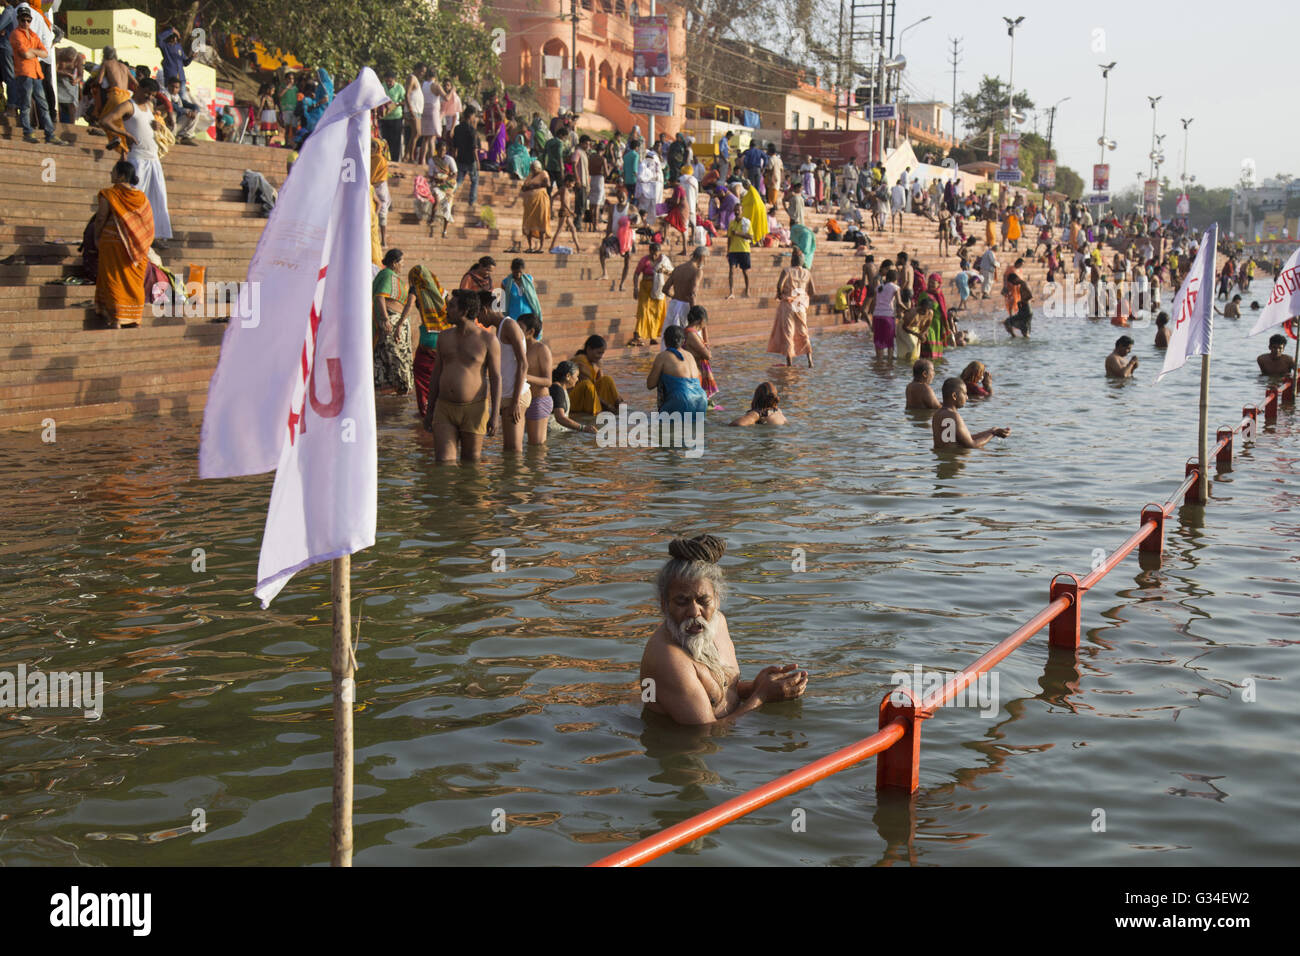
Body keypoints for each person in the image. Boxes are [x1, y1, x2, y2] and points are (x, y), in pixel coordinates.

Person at [639, 534, 807, 725]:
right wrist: (761, 697)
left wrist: (756, 687)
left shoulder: (718, 623)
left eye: (703, 601)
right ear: (664, 604)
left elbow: (724, 692)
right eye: (681, 601)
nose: (694, 612)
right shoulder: (667, 659)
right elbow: (704, 734)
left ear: (717, 599)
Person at [426, 289, 501, 462]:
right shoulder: (444, 337)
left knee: (471, 464)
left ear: (464, 310)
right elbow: (436, 374)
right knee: (443, 463)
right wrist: (429, 411)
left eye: (451, 306)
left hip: (474, 409)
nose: (446, 309)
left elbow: (496, 378)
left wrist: (494, 415)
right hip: (444, 408)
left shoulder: (488, 340)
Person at [99, 79, 171, 242]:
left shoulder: (150, 106)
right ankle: (130, 233)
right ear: (138, 89)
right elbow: (105, 121)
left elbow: (149, 124)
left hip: (153, 159)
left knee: (156, 199)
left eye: (152, 95)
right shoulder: (128, 105)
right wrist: (126, 135)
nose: (149, 97)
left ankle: (154, 236)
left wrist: (156, 127)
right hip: (137, 159)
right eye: (147, 93)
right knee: (134, 197)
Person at [92, 160, 153, 329]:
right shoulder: (142, 197)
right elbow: (148, 224)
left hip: (112, 243)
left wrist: (96, 237)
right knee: (133, 281)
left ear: (121, 176)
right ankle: (133, 317)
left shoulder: (109, 194)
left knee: (114, 278)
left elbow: (101, 218)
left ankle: (117, 319)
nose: (110, 174)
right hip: (138, 246)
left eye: (113, 171)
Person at [479, 292, 529, 453]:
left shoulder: (509, 325)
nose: (478, 320)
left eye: (478, 315)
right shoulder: (500, 329)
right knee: (508, 450)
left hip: (516, 396)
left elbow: (523, 363)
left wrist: (515, 402)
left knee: (514, 451)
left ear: (485, 310)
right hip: (508, 396)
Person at [10, 6, 66, 145]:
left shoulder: (33, 34)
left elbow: (45, 53)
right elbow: (25, 54)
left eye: (28, 20)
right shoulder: (16, 34)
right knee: (26, 104)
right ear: (18, 20)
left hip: (36, 73)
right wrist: (35, 52)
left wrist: (33, 51)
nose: (26, 23)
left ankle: (49, 134)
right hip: (24, 73)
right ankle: (27, 132)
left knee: (43, 104)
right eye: (23, 20)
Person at [400, 265, 449, 418]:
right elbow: (450, 305)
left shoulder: (416, 289)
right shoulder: (439, 289)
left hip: (428, 337)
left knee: (422, 374)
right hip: (445, 335)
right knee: (441, 373)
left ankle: (426, 409)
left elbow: (409, 304)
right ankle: (442, 409)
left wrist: (400, 323)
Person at [372, 249, 414, 394]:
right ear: (394, 263)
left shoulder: (393, 276)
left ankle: (393, 392)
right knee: (395, 357)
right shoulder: (386, 275)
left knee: (390, 357)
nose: (403, 264)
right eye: (402, 261)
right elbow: (379, 297)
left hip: (397, 322)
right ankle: (398, 389)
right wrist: (385, 319)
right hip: (390, 321)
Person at [766, 248, 815, 368]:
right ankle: (810, 361)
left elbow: (779, 285)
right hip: (801, 306)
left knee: (788, 333)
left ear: (792, 260)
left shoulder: (786, 270)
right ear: (802, 261)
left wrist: (780, 294)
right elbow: (813, 291)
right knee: (803, 332)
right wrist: (803, 296)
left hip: (788, 305)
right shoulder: (807, 273)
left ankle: (789, 363)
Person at [932, 378, 1011, 450]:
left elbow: (967, 438)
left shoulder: (937, 414)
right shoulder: (954, 416)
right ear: (954, 396)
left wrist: (991, 430)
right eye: (964, 393)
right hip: (954, 462)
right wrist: (993, 433)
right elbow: (971, 445)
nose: (967, 397)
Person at [647, 325, 708, 415]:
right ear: (683, 341)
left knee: (668, 428)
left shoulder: (663, 356)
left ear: (665, 341)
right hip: (701, 399)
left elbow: (650, 384)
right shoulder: (690, 355)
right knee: (695, 428)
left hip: (681, 399)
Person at [569, 335, 625, 414]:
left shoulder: (594, 362)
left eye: (602, 353)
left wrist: (618, 400)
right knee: (587, 384)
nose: (600, 356)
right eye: (598, 353)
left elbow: (602, 383)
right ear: (588, 349)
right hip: (573, 401)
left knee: (607, 379)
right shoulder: (580, 362)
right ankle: (598, 412)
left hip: (588, 399)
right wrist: (608, 406)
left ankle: (618, 404)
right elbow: (590, 389)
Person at [661, 247, 705, 346]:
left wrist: (675, 296)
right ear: (702, 257)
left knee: (670, 336)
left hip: (674, 305)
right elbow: (693, 293)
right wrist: (694, 310)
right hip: (686, 307)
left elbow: (665, 289)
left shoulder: (678, 269)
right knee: (686, 338)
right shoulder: (697, 271)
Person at [631, 241, 672, 346]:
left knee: (658, 313)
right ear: (650, 251)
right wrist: (635, 288)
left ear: (659, 252)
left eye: (656, 253)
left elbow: (671, 272)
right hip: (645, 288)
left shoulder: (663, 260)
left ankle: (653, 337)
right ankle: (637, 336)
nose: (655, 256)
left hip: (658, 288)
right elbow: (636, 274)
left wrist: (664, 270)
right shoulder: (644, 260)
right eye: (653, 253)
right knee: (643, 311)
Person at [546, 359, 598, 435]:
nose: (577, 379)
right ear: (568, 376)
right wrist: (583, 428)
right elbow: (560, 418)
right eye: (576, 376)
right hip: (552, 435)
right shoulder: (557, 390)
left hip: (557, 433)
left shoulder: (561, 388)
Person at [599, 188, 636, 288]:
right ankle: (605, 273)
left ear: (626, 195)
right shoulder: (612, 207)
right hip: (615, 237)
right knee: (602, 249)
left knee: (627, 261)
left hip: (628, 239)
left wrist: (630, 226)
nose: (621, 197)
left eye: (622, 195)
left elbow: (638, 222)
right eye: (619, 195)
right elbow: (610, 223)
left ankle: (622, 283)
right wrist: (606, 236)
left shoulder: (631, 208)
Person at [683, 306, 718, 401]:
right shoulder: (691, 334)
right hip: (693, 375)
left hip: (694, 373)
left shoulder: (691, 332)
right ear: (702, 320)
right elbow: (708, 355)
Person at [501, 257, 543, 331]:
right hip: (513, 316)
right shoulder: (505, 282)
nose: (518, 274)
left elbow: (533, 297)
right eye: (516, 272)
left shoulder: (529, 279)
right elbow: (504, 300)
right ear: (512, 270)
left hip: (528, 316)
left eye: (520, 272)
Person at [452, 105, 480, 209]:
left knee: (459, 180)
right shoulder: (472, 130)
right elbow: (474, 147)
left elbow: (454, 145)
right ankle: (472, 201)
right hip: (470, 159)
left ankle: (449, 193)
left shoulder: (457, 128)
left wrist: (454, 157)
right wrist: (478, 161)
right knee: (474, 180)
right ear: (471, 115)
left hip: (460, 158)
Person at [520, 161, 551, 253]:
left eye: (534, 167)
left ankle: (541, 247)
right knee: (528, 223)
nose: (532, 169)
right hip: (529, 204)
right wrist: (526, 188)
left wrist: (534, 186)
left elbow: (547, 184)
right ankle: (530, 246)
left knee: (541, 222)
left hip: (541, 201)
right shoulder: (530, 175)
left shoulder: (543, 173)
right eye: (531, 167)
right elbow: (524, 186)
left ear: (538, 167)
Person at [725, 199, 753, 299]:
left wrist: (738, 233)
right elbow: (729, 238)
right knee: (731, 270)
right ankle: (731, 292)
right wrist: (728, 251)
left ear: (742, 211)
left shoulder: (747, 222)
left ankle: (747, 290)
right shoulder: (731, 223)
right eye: (735, 210)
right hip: (733, 250)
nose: (736, 212)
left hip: (744, 250)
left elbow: (751, 237)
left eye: (738, 210)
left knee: (745, 272)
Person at [549, 173, 582, 252]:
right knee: (559, 230)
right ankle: (551, 247)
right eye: (572, 183)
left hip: (566, 213)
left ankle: (578, 247)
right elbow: (563, 201)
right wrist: (571, 212)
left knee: (573, 229)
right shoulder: (563, 189)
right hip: (564, 212)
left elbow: (553, 197)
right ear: (567, 182)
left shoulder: (565, 189)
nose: (573, 185)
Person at [871, 268, 899, 359]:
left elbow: (874, 302)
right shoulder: (895, 287)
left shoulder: (878, 287)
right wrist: (908, 310)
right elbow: (900, 303)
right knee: (889, 341)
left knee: (878, 340)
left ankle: (879, 361)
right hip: (888, 316)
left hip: (877, 316)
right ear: (896, 279)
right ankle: (890, 362)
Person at [1002, 273, 1032, 338]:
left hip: (1025, 311)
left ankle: (1014, 337)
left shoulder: (1024, 285)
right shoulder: (1023, 284)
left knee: (1007, 322)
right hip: (1026, 311)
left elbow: (1030, 296)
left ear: (1016, 279)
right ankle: (1019, 341)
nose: (1013, 284)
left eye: (1013, 282)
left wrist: (1021, 301)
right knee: (1024, 332)